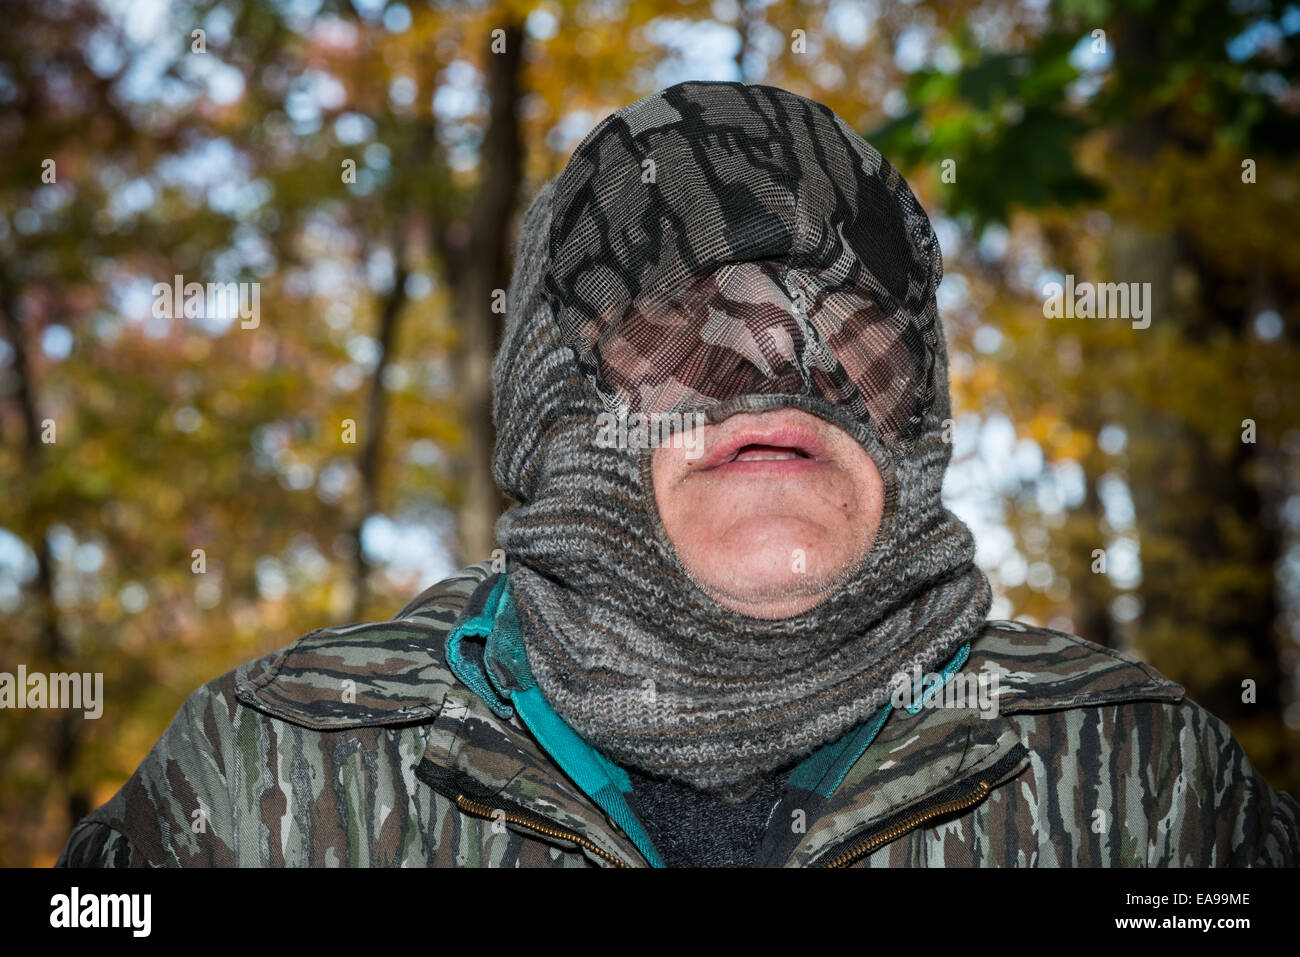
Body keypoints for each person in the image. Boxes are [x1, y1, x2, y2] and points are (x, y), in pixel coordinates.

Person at [57, 80, 1299, 868]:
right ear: (552, 393)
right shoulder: (267, 775)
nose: (778, 365)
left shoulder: (1143, 780)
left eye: (849, 319)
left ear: (920, 408)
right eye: (676, 317)